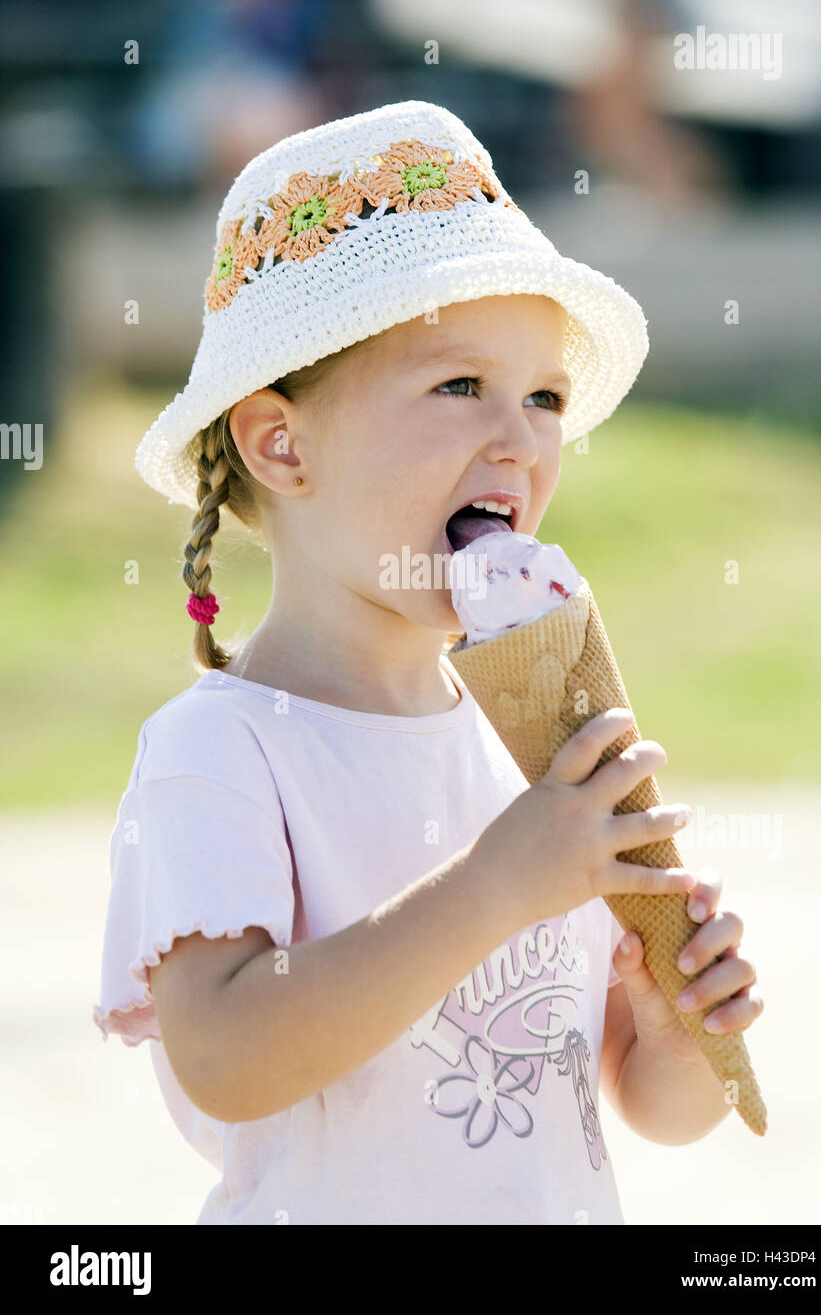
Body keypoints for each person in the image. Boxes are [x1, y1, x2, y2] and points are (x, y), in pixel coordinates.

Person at [92, 99, 762, 1224]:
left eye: (542, 397)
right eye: (459, 386)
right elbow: (227, 1054)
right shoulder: (220, 750)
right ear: (280, 441)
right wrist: (497, 884)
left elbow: (642, 1104)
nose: (519, 437)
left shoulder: (533, 739)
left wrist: (678, 1026)